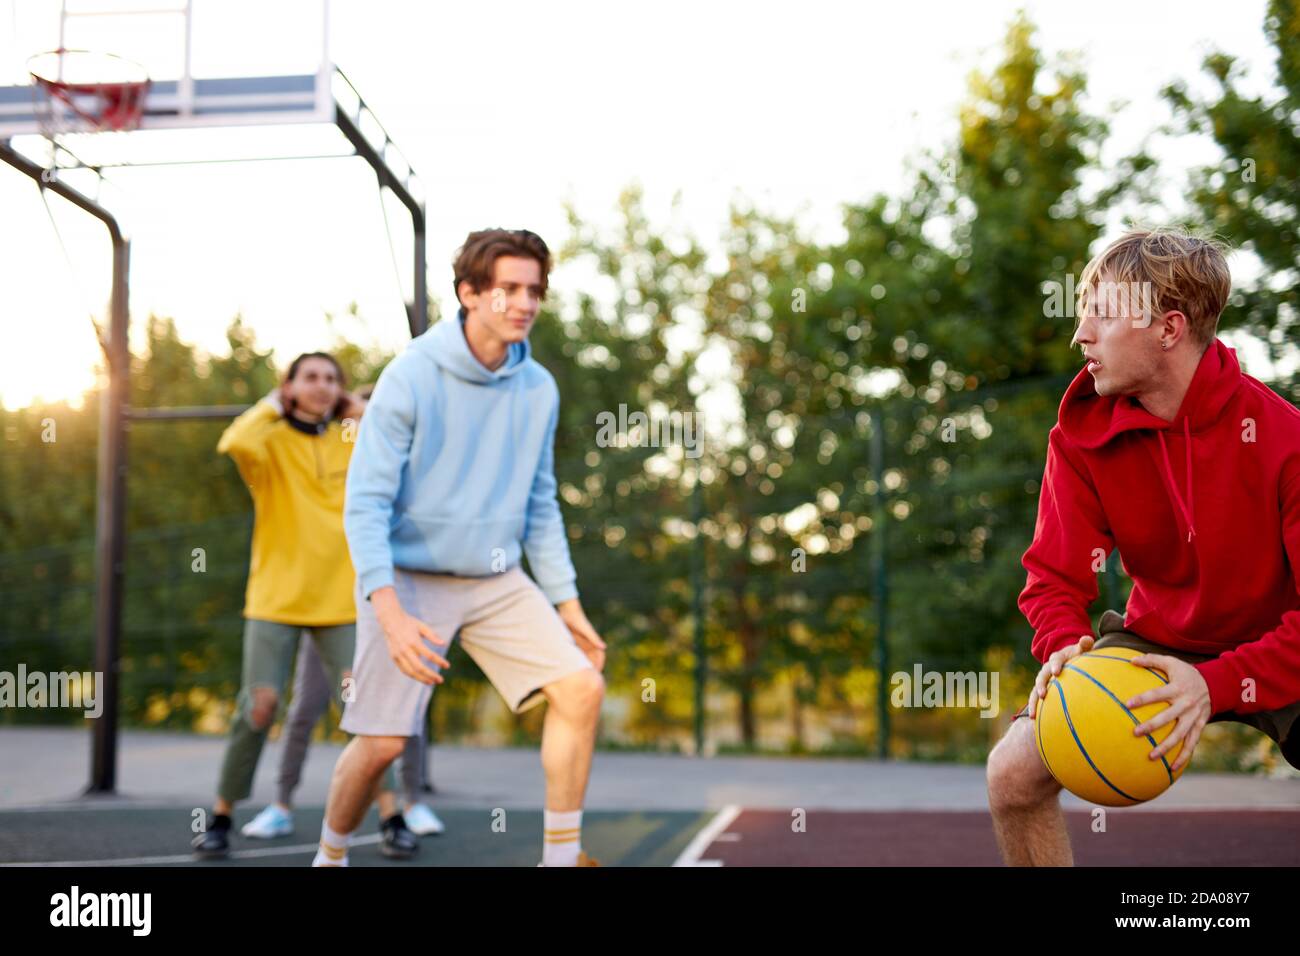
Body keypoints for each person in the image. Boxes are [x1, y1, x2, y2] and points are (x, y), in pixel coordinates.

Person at [987, 229, 1300, 866]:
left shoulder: (1282, 439)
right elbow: (1052, 575)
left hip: (1281, 641)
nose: (1081, 334)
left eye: (1101, 314)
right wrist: (1061, 646)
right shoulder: (1080, 436)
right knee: (1011, 777)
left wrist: (1216, 684)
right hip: (1161, 640)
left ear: (1168, 328)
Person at [314, 228, 607, 868]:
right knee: (384, 744)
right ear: (470, 293)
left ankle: (560, 860)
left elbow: (539, 503)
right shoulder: (411, 375)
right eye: (508, 289)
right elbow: (364, 503)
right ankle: (330, 858)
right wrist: (386, 610)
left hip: (494, 577)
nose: (524, 304)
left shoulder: (539, 389)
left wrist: (568, 603)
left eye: (534, 291)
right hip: (408, 579)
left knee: (581, 689)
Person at [192, 353, 418, 860]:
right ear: (289, 386)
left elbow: (400, 455)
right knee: (261, 704)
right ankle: (222, 817)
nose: (321, 386)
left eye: (330, 378)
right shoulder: (269, 441)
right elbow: (235, 440)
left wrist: (360, 412)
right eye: (309, 377)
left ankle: (392, 817)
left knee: (367, 712)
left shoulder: (350, 440)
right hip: (275, 598)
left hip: (343, 600)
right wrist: (275, 403)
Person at [241, 383, 446, 840]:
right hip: (344, 604)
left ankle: (409, 803)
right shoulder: (346, 452)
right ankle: (281, 803)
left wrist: (362, 408)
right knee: (307, 707)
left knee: (402, 708)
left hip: (400, 597)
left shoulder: (403, 456)